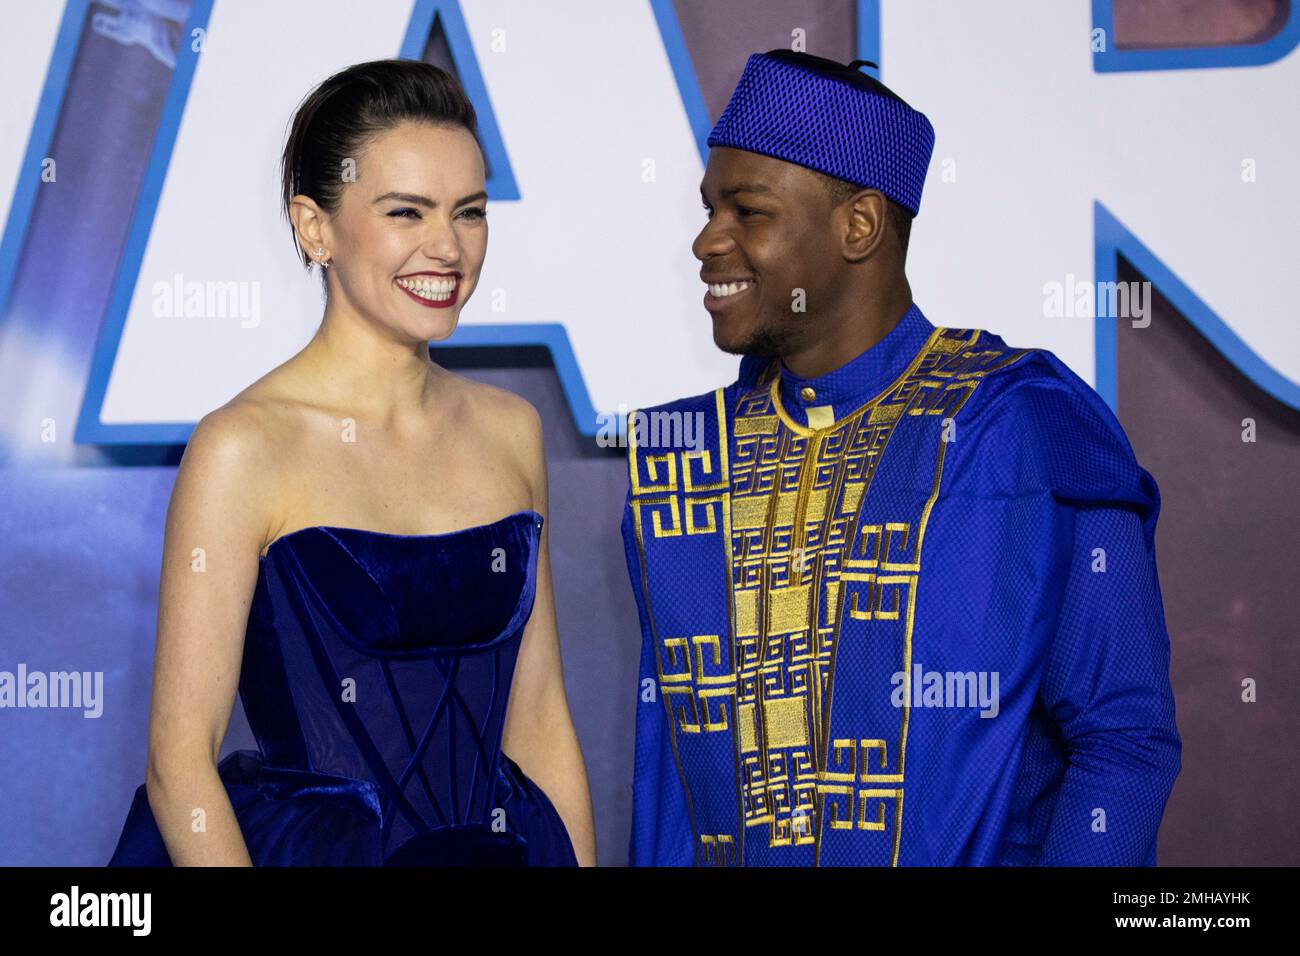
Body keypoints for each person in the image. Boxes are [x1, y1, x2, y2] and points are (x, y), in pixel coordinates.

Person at [621, 50, 1180, 866]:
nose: (707, 241)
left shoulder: (1023, 423)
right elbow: (675, 779)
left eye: (748, 211)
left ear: (859, 225)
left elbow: (1121, 739)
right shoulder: (685, 459)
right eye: (710, 209)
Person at [108, 59, 594, 866]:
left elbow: (540, 718)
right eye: (407, 211)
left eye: (469, 212)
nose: (447, 247)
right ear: (315, 227)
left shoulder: (512, 429)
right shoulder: (243, 447)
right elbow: (178, 763)